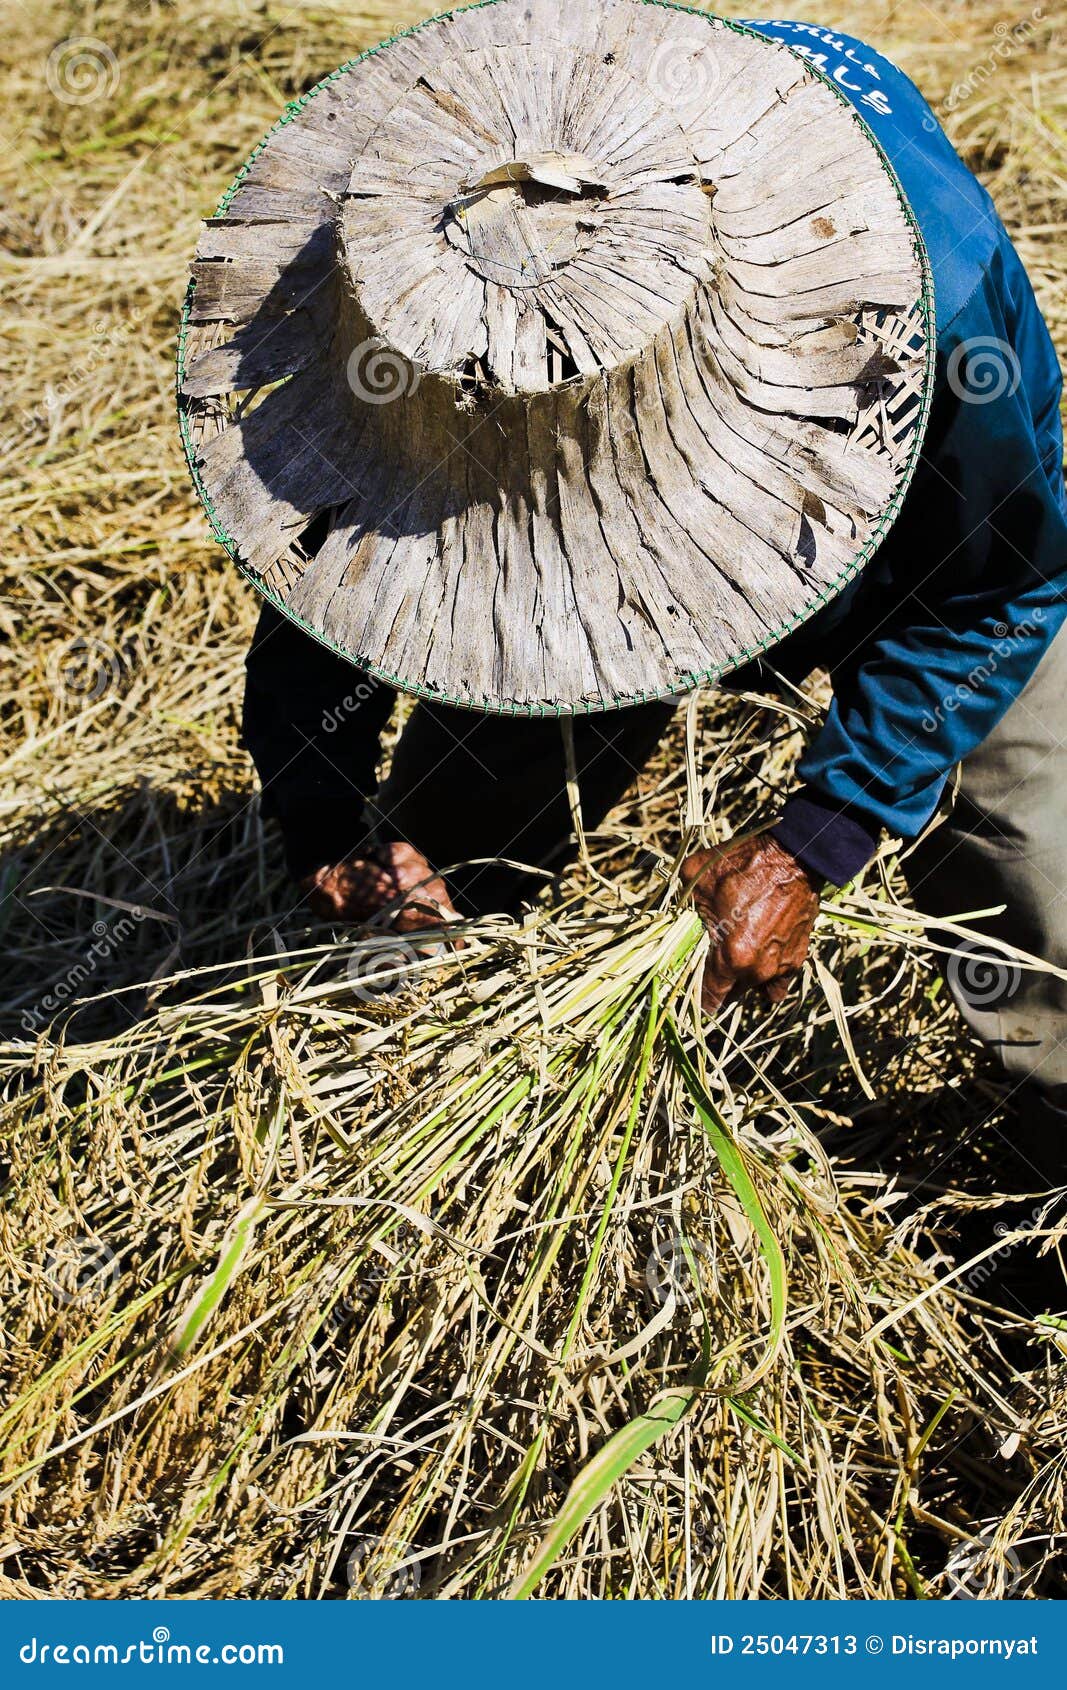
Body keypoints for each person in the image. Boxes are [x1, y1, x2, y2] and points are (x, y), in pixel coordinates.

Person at [207, 16, 1065, 1118]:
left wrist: (819, 837)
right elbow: (337, 566)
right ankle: (444, 1072)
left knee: (1036, 877)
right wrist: (328, 826)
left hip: (910, 553)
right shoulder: (398, 272)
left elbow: (996, 593)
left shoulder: (926, 316)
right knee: (445, 860)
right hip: (540, 550)